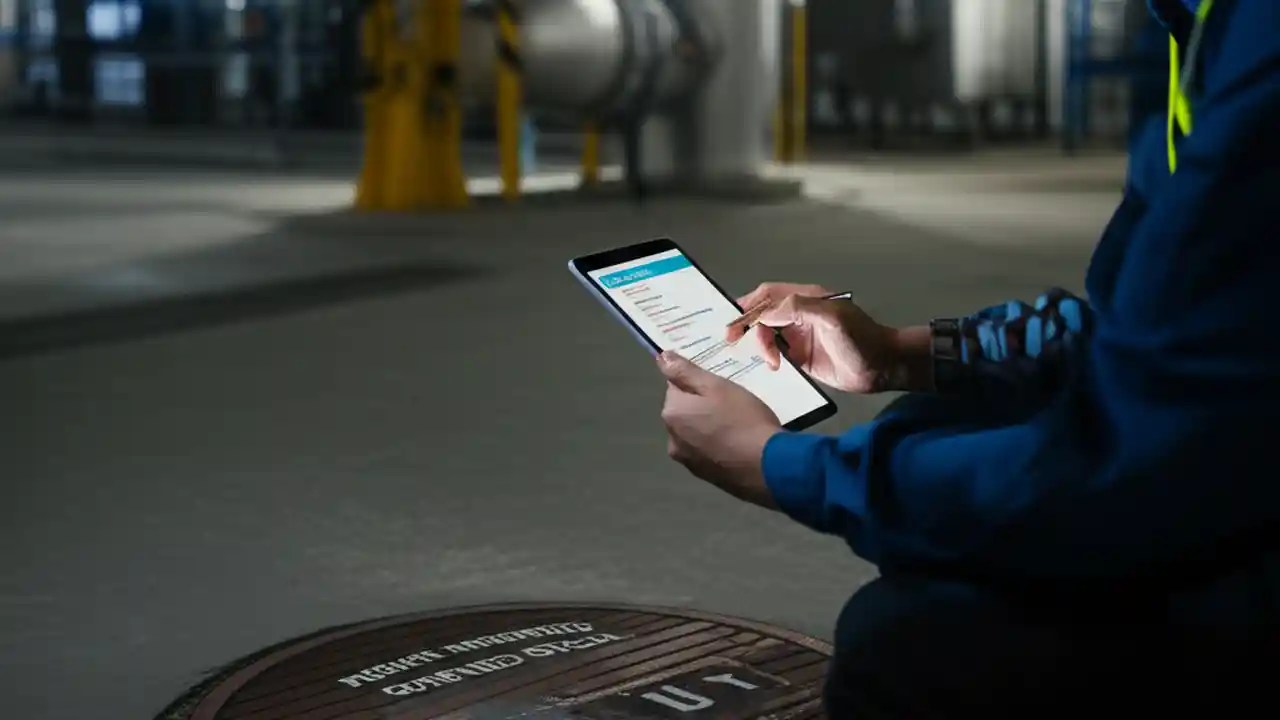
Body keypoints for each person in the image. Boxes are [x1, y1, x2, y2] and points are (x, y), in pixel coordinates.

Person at [656, 0, 1279, 717]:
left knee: (910, 641)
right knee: (933, 421)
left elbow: (1135, 463)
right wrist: (899, 353)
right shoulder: (1195, 24)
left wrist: (781, 466)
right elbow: (1138, 326)